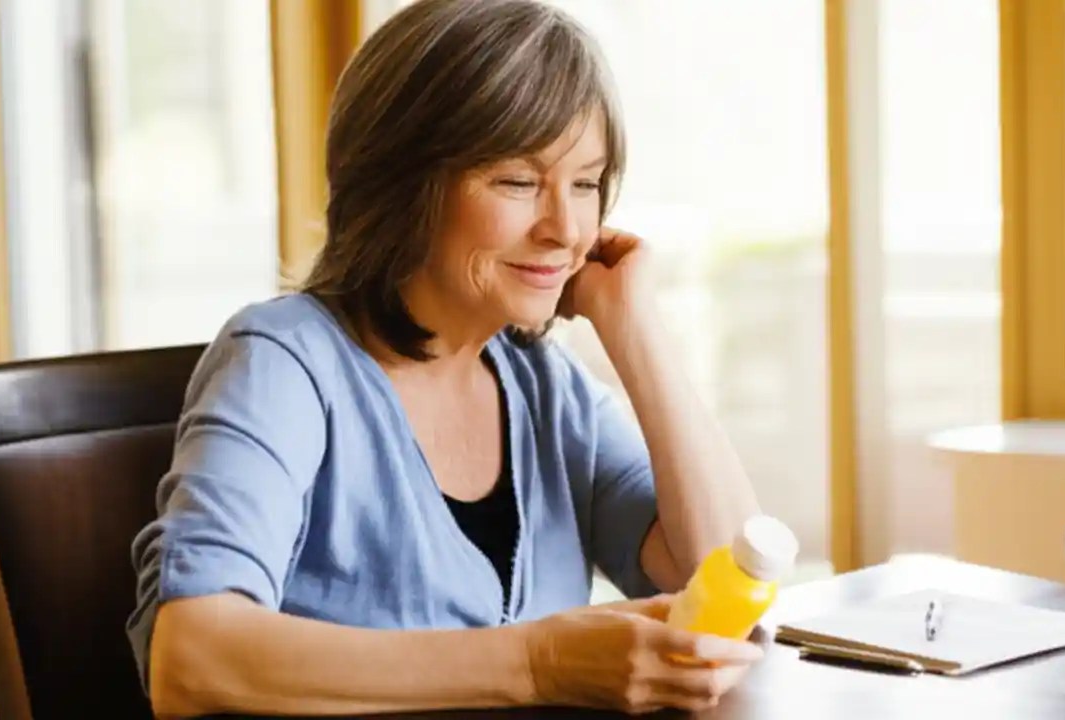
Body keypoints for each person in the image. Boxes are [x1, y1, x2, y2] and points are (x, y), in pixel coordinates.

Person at [128, 0, 767, 716]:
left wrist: (636, 331)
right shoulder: (285, 363)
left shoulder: (546, 385)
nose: (566, 229)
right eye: (518, 181)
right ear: (403, 185)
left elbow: (727, 583)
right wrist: (538, 662)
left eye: (586, 184)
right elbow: (189, 656)